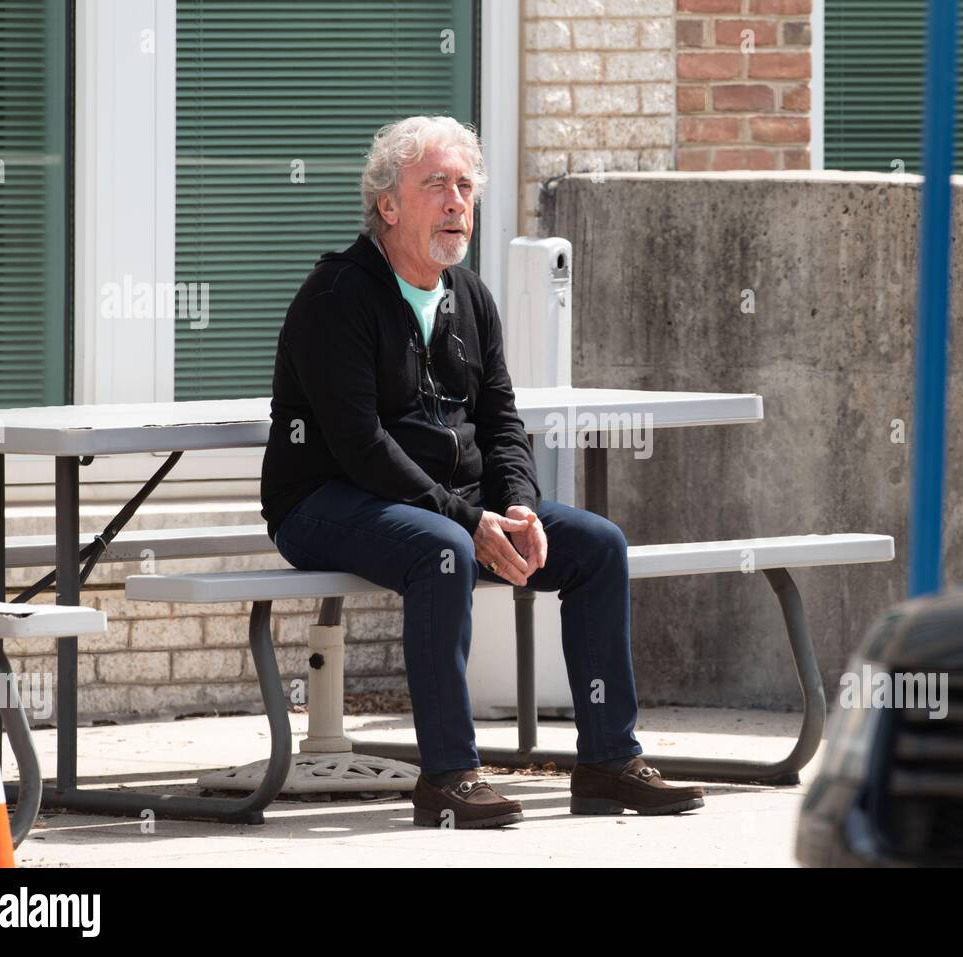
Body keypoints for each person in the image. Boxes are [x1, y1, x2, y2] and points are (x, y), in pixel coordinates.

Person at [259, 115, 704, 828]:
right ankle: (449, 776)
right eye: (436, 184)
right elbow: (358, 443)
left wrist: (520, 506)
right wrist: (469, 520)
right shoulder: (336, 296)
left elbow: (501, 420)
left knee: (598, 546)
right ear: (389, 205)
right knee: (444, 551)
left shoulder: (469, 296)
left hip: (448, 503)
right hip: (323, 500)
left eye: (465, 185)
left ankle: (607, 761)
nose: (456, 200)